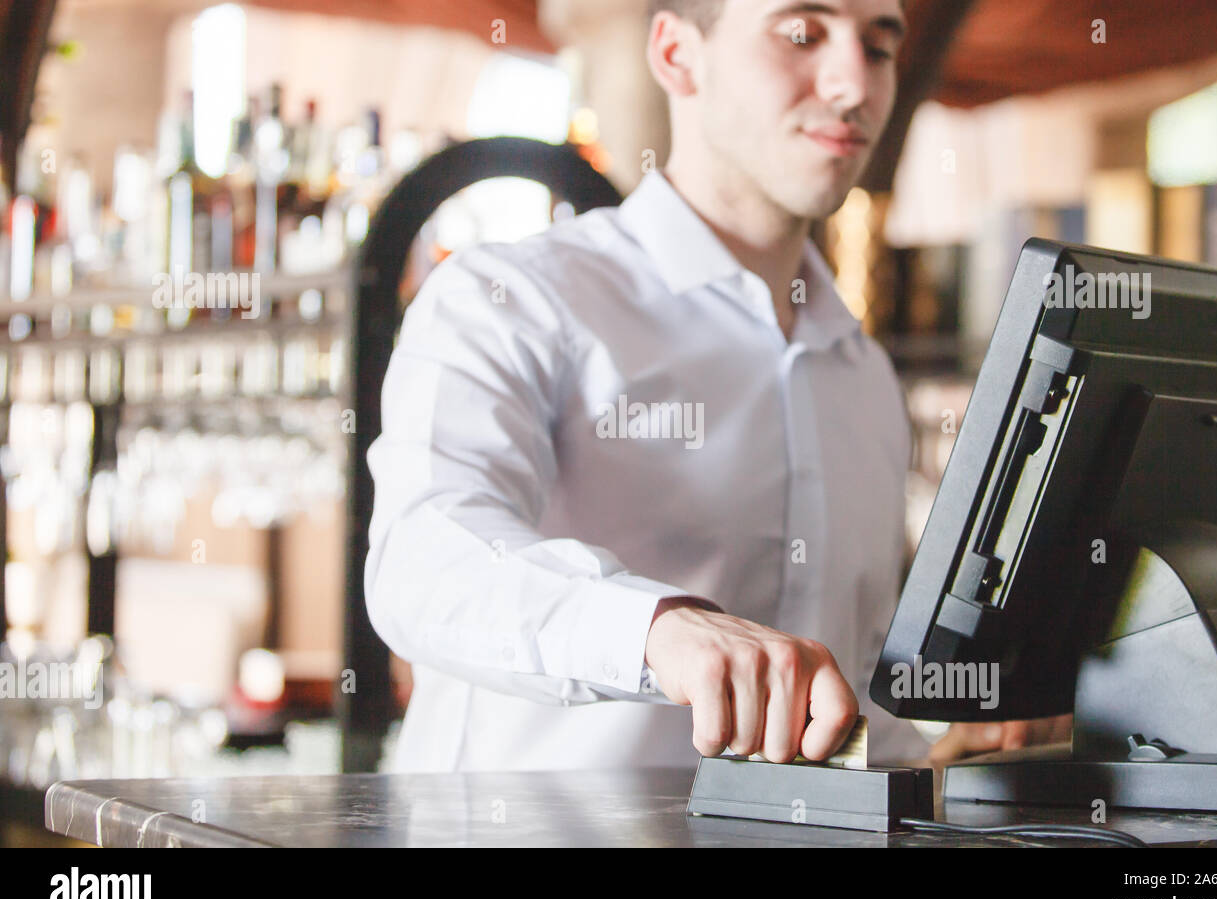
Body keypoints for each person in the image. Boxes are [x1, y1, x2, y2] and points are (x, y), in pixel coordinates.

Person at [365, 0, 1071, 773]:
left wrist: (941, 755)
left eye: (877, 47)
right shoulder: (509, 297)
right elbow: (423, 559)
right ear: (676, 55)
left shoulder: (862, 375)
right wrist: (659, 629)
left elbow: (852, 704)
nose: (853, 85)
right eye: (803, 33)